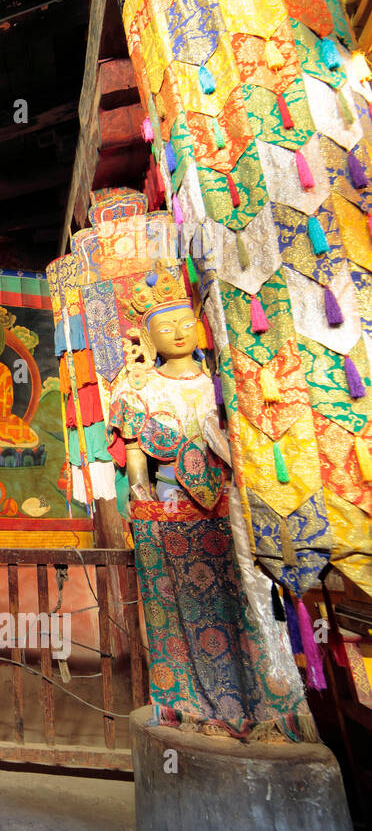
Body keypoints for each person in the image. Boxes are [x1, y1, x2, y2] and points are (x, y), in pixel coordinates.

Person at [110, 266, 306, 740]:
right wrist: (142, 497)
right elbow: (136, 454)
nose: (177, 333)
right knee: (185, 611)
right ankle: (193, 706)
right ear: (148, 338)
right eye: (164, 327)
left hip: (232, 507)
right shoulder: (138, 388)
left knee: (251, 606)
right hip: (173, 510)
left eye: (184, 322)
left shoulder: (223, 382)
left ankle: (271, 711)